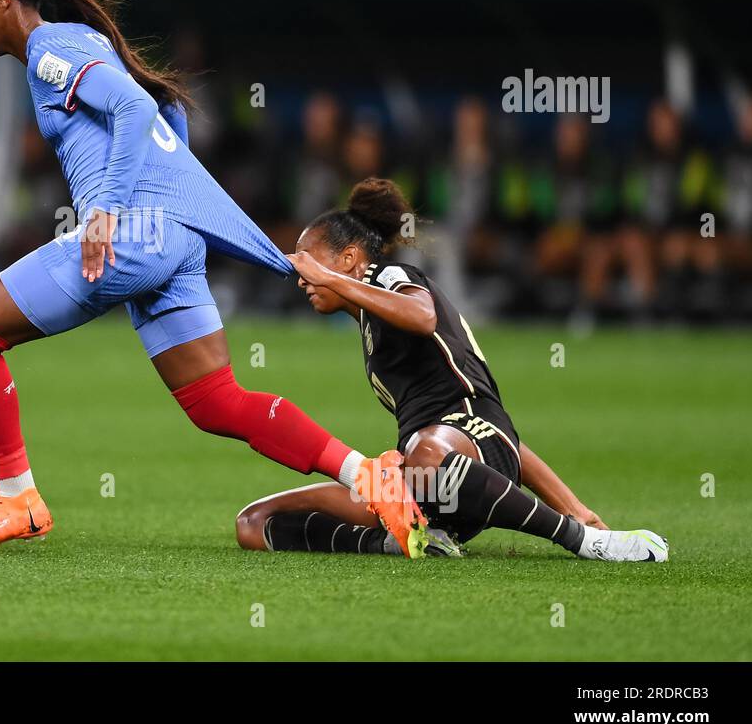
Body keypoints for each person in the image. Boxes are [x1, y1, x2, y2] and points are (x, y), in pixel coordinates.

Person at [0, 0, 427, 554]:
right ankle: (369, 475)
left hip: (128, 237)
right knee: (217, 401)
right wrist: (167, 193)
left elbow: (134, 105)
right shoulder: (83, 41)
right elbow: (166, 106)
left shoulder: (49, 49)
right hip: (170, 239)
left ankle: (19, 500)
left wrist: (104, 214)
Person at [247, 177, 669, 562]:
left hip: (473, 439)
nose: (301, 276)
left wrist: (579, 520)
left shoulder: (388, 276)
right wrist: (575, 503)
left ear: (349, 259)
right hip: (430, 483)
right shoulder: (368, 324)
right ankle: (400, 539)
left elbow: (422, 317)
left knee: (425, 454)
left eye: (309, 262)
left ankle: (582, 542)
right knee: (255, 522)